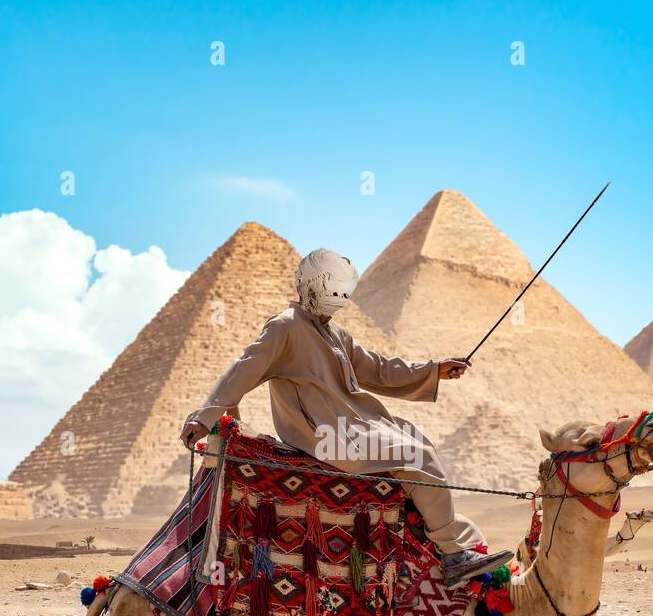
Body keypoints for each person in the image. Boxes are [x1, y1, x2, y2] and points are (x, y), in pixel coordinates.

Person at [181, 248, 514, 587]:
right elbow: (243, 369)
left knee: (414, 438)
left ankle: (433, 537)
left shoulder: (334, 334)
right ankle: (454, 554)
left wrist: (433, 370)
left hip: (351, 425)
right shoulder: (285, 327)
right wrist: (204, 418)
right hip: (325, 435)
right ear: (312, 285)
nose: (339, 296)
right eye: (332, 286)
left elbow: (380, 369)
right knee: (417, 456)